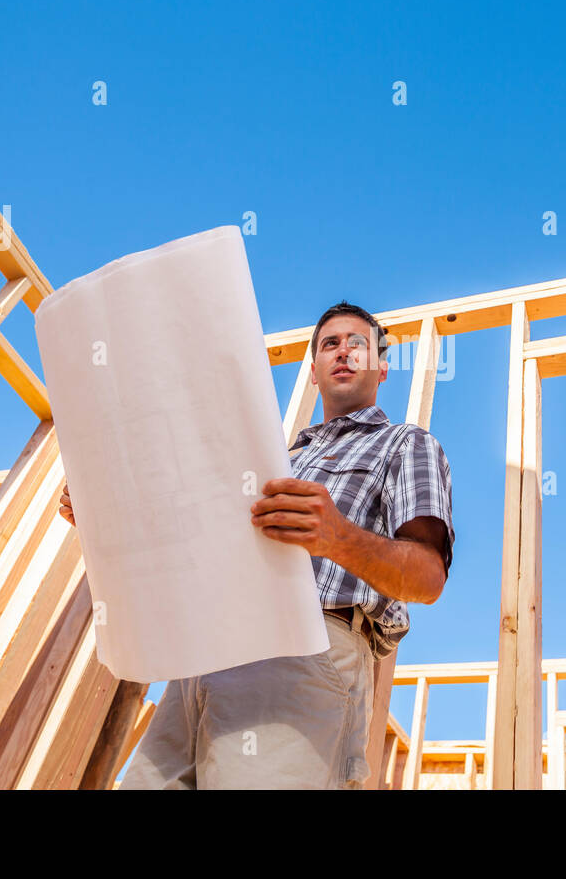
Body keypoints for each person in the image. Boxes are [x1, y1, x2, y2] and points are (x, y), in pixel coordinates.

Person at [58, 301, 454, 788]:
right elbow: (198, 553)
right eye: (330, 344)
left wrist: (339, 537)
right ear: (313, 371)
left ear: (381, 367)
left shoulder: (404, 444)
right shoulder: (273, 459)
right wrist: (108, 519)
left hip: (306, 653)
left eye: (358, 344)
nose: (344, 352)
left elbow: (427, 576)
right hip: (207, 656)